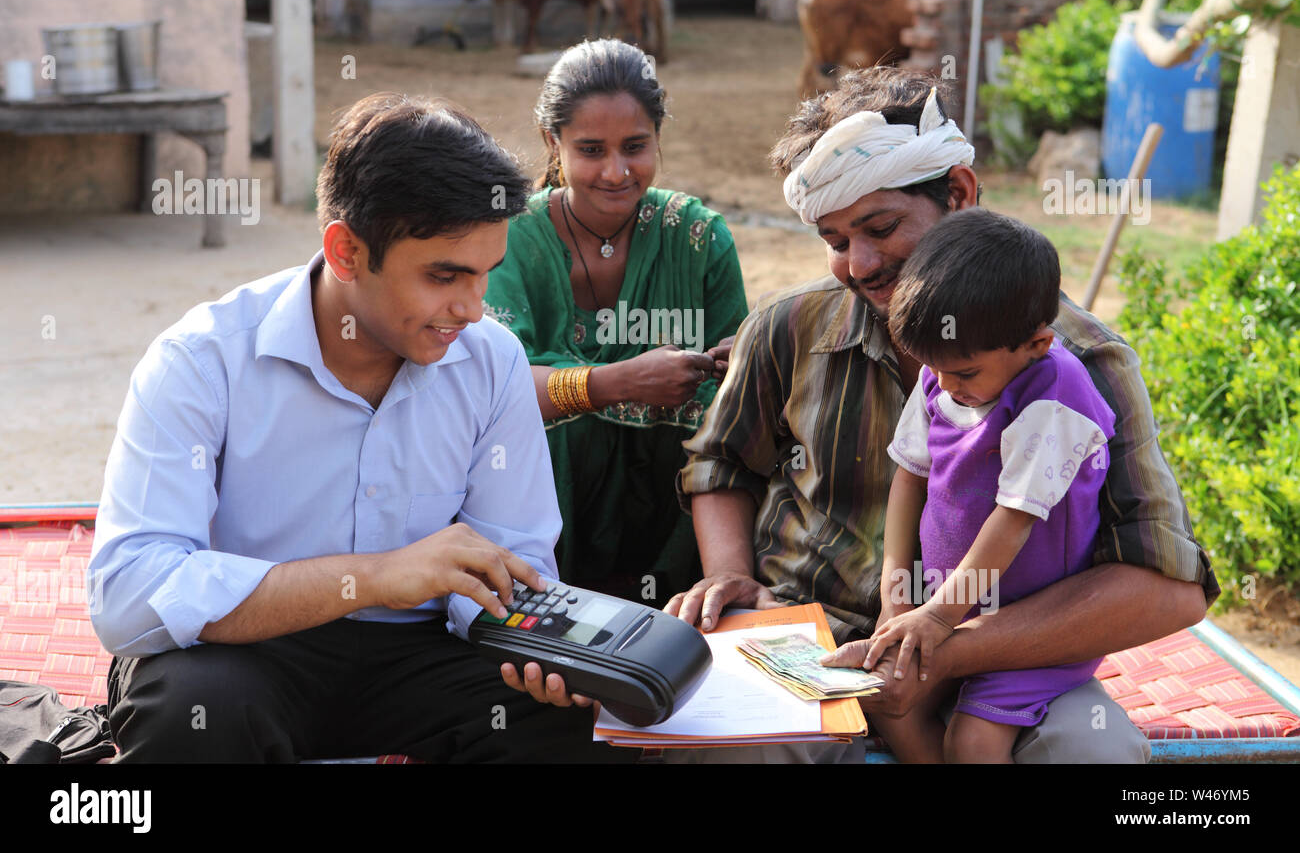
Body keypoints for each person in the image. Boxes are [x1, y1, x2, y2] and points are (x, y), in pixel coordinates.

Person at [667, 69, 1219, 763]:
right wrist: (727, 571)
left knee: (1093, 755)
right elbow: (719, 462)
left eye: (880, 227)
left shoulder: (1083, 365)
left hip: (1010, 659)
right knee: (725, 754)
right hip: (811, 645)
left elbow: (1169, 588)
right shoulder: (786, 326)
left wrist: (943, 649)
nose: (858, 265)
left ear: (958, 192)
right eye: (835, 240)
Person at [89, 93, 623, 763]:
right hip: (243, 650)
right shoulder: (202, 362)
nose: (471, 308)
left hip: (421, 656)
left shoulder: (491, 361)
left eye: (486, 276)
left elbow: (513, 562)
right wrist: (373, 577)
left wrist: (537, 646)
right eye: (444, 276)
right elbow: (129, 594)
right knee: (191, 717)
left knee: (571, 727)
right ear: (346, 251)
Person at [483, 38, 748, 605]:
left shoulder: (698, 238)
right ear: (553, 144)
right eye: (591, 149)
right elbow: (491, 391)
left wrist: (738, 362)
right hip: (539, 520)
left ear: (658, 137)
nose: (616, 171)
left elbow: (741, 393)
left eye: (635, 146)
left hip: (676, 521)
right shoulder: (510, 241)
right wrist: (615, 384)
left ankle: (703, 587)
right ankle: (544, 596)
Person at [865, 208, 1116, 763]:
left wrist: (936, 617)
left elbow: (1013, 519)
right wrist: (896, 594)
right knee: (884, 699)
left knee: (973, 740)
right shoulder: (945, 370)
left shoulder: (1054, 394)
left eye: (964, 374)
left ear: (1037, 344)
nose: (946, 386)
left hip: (1029, 630)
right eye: (933, 369)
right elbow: (911, 476)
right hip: (952, 610)